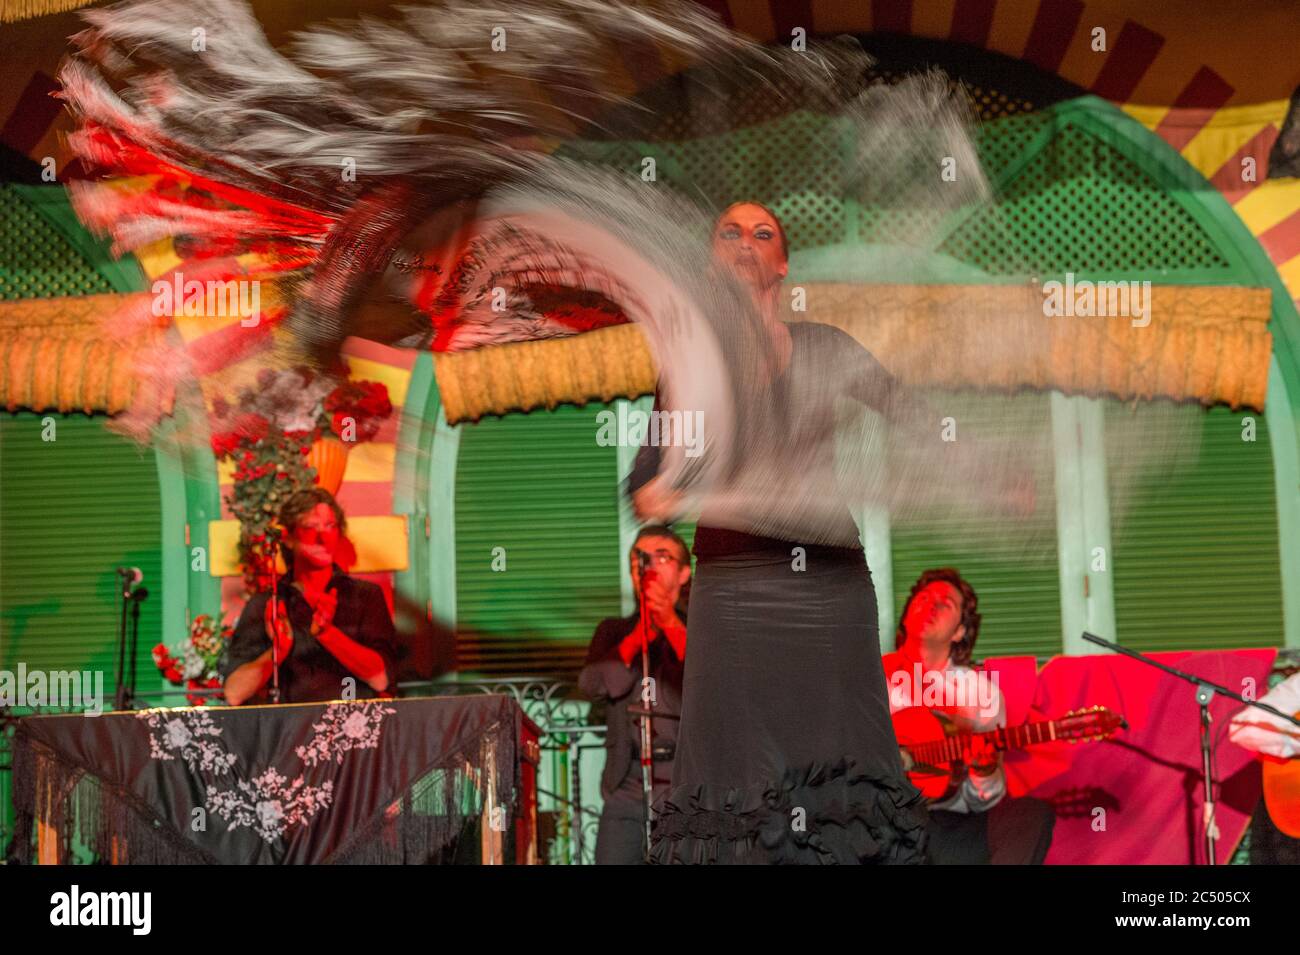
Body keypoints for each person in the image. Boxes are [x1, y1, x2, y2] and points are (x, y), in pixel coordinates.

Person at [632, 201, 928, 864]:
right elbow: (648, 478)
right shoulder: (692, 370)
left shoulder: (826, 347)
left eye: (763, 233)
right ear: (714, 261)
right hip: (734, 592)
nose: (746, 241)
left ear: (782, 264)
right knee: (737, 769)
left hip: (831, 586)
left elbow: (914, 413)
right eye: (729, 232)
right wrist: (666, 491)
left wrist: (988, 469)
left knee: (840, 757)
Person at [883, 568, 1054, 865]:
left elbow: (981, 799)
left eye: (945, 603)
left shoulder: (980, 694)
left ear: (960, 631)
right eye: (923, 598)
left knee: (1030, 814)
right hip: (880, 821)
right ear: (907, 614)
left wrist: (984, 771)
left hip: (948, 828)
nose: (931, 606)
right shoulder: (867, 678)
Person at [221, 487, 398, 705]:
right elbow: (234, 693)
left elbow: (380, 679)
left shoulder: (365, 596)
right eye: (310, 527)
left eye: (330, 526)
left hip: (353, 730)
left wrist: (328, 634)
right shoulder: (267, 603)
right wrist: (277, 651)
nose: (322, 537)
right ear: (288, 538)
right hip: (289, 732)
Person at [579, 525, 691, 864]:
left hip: (687, 782)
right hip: (628, 783)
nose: (649, 567)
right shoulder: (613, 631)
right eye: (640, 559)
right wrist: (639, 635)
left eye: (662, 557)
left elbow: (709, 686)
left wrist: (670, 624)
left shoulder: (701, 628)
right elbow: (593, 686)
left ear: (684, 573)